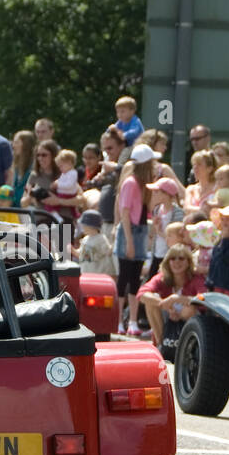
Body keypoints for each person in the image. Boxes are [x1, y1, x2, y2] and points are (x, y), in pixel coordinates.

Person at [114, 143, 159, 336]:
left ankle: (132, 320)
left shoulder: (143, 184)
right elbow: (124, 213)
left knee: (135, 277)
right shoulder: (130, 182)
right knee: (124, 277)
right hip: (130, 231)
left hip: (140, 230)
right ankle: (117, 320)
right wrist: (130, 241)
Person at [137, 244, 205, 349]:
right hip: (167, 316)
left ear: (188, 262)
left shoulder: (196, 278)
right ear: (168, 262)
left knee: (189, 308)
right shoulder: (162, 277)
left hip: (190, 318)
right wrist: (164, 304)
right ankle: (161, 344)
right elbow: (142, 294)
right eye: (172, 258)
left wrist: (177, 299)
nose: (177, 262)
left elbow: (203, 299)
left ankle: (189, 347)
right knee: (150, 302)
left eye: (181, 258)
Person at [146, 177, 185, 277]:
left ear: (166, 194)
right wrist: (156, 227)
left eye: (157, 192)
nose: (154, 194)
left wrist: (159, 231)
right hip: (157, 253)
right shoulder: (157, 209)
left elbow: (176, 238)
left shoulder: (178, 213)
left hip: (169, 255)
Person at [72, 210, 115, 276]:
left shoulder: (101, 239)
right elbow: (81, 255)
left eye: (84, 225)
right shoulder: (85, 239)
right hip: (85, 272)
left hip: (97, 274)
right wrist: (72, 250)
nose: (82, 227)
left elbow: (108, 252)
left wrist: (113, 243)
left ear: (91, 226)